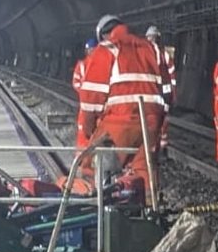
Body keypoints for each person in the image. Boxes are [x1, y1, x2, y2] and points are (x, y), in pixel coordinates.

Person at [75, 14, 166, 202]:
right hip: (151, 121)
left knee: (90, 162)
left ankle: (93, 207)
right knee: (145, 170)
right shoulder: (152, 49)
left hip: (121, 120)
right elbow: (168, 92)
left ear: (103, 35)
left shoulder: (109, 48)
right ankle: (149, 211)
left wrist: (88, 128)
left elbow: (91, 98)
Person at [147, 26, 176, 156]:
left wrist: (173, 91)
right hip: (151, 91)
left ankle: (162, 145)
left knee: (163, 118)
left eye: (153, 37)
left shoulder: (164, 54)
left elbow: (172, 73)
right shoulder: (145, 55)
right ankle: (152, 145)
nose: (151, 40)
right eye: (149, 37)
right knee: (152, 118)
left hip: (164, 91)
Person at [71, 39, 96, 148]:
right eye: (89, 49)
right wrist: (86, 93)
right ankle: (83, 156)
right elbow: (76, 82)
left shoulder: (103, 64)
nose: (91, 51)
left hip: (99, 103)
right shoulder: (82, 65)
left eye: (92, 49)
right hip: (87, 103)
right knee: (83, 129)